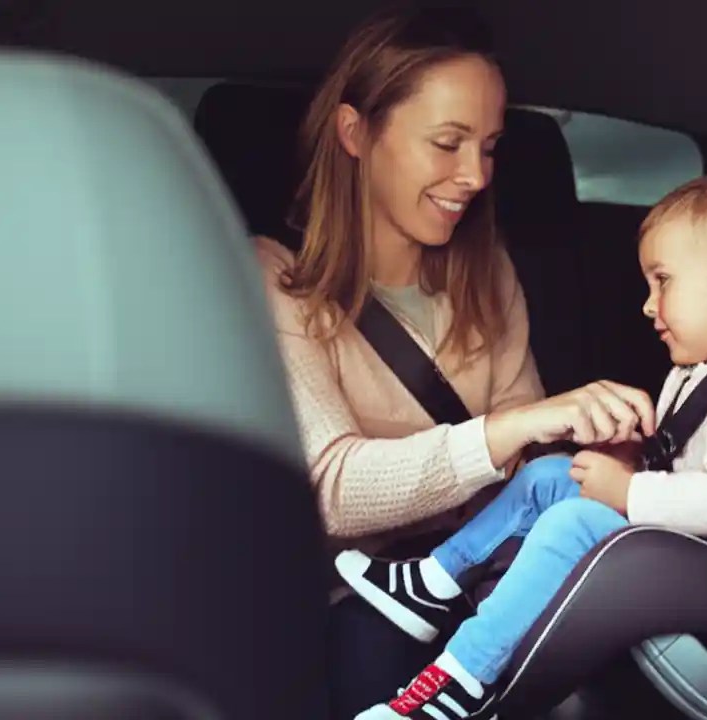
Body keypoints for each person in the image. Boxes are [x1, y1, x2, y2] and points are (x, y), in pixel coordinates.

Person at [251, 5, 656, 717]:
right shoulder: (277, 280)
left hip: (492, 584)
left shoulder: (487, 274)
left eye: (491, 147)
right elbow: (335, 491)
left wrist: (593, 459)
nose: (473, 175)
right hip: (360, 603)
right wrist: (512, 427)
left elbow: (525, 470)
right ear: (357, 133)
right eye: (448, 143)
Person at [337, 173, 707, 720]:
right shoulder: (697, 370)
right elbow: (683, 466)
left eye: (663, 281)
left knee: (570, 525)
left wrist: (630, 492)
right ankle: (434, 581)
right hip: (675, 541)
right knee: (549, 477)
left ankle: (459, 684)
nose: (648, 306)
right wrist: (632, 460)